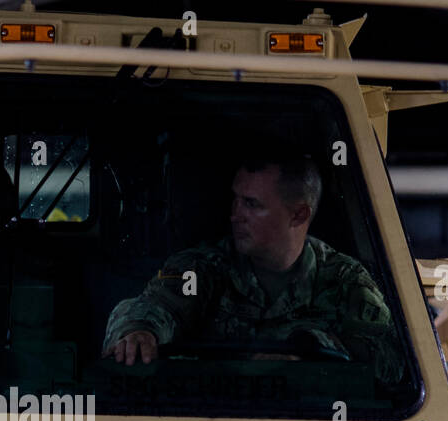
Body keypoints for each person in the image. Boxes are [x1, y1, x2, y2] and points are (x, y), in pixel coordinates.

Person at [101, 151, 405, 385]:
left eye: (251, 204)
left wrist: (310, 350)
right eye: (235, 200)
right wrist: (139, 331)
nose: (235, 215)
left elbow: (392, 359)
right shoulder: (203, 268)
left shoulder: (345, 282)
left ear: (299, 214)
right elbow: (155, 307)